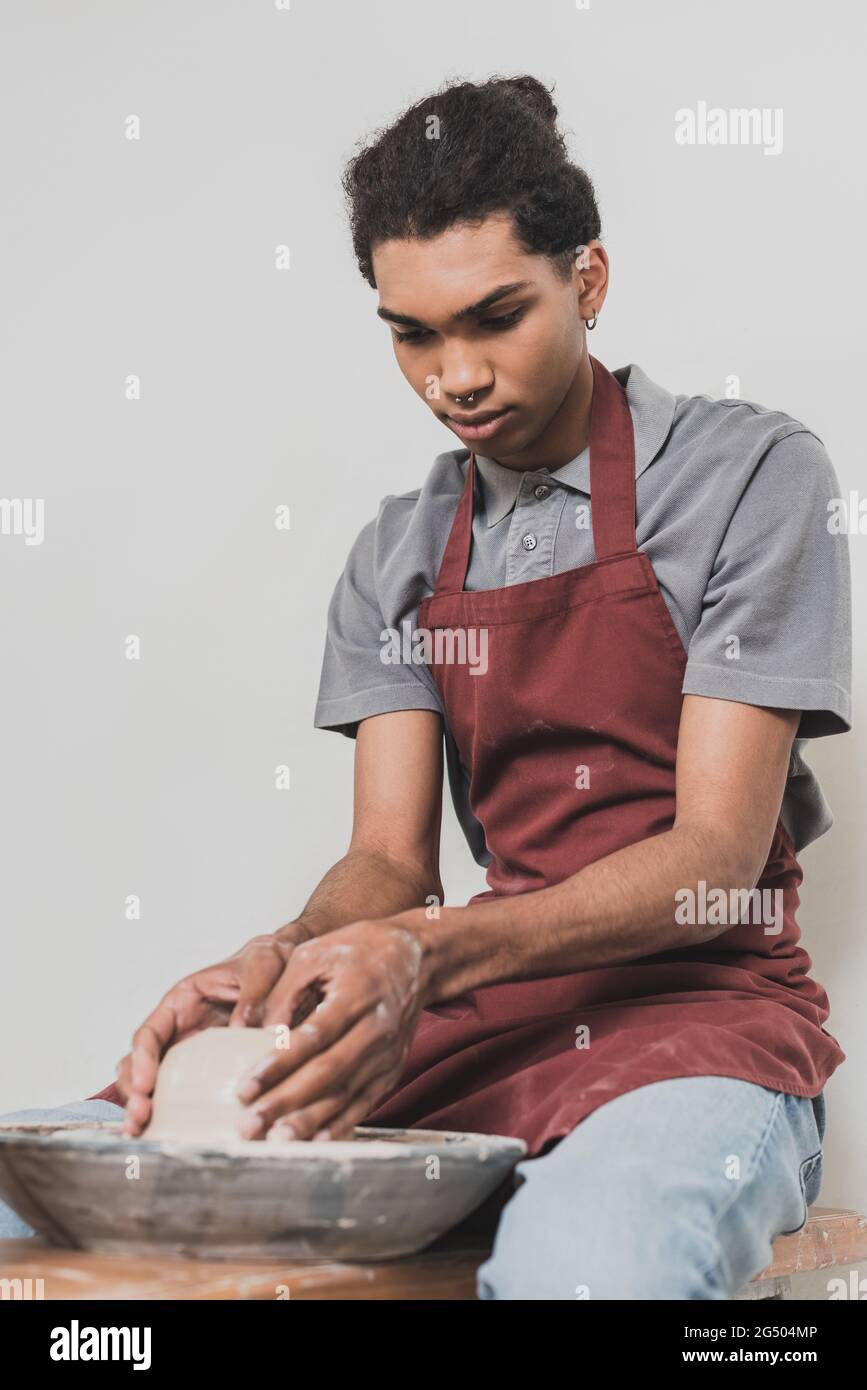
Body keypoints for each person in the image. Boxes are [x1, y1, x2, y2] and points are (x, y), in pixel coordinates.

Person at [1, 75, 851, 1300]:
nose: (456, 376)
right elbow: (389, 865)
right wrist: (280, 964)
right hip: (473, 1016)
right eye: (413, 334)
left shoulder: (749, 476)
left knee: (586, 1268)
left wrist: (423, 951)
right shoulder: (397, 552)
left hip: (705, 1027)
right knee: (45, 1184)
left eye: (496, 318)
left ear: (589, 281)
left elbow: (715, 855)